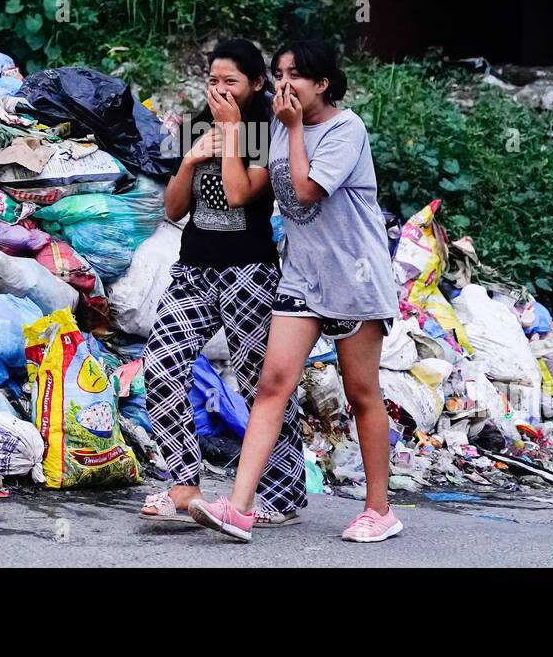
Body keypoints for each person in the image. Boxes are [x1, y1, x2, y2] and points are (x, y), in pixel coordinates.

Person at [189, 39, 402, 543]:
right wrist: (236, 134)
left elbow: (305, 191)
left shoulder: (346, 129)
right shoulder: (280, 130)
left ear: (322, 83)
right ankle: (240, 506)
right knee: (272, 384)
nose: (284, 84)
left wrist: (289, 130)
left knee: (362, 393)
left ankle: (380, 509)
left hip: (354, 277)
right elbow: (244, 193)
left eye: (295, 76)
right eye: (279, 74)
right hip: (303, 275)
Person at [140, 38, 307, 526]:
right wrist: (191, 160)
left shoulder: (270, 130)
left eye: (230, 81)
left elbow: (237, 195)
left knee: (262, 385)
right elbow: (173, 210)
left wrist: (232, 133)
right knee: (161, 365)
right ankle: (184, 485)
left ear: (257, 83)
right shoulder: (195, 125)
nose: (218, 90)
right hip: (193, 269)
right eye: (212, 81)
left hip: (248, 273)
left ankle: (283, 494)